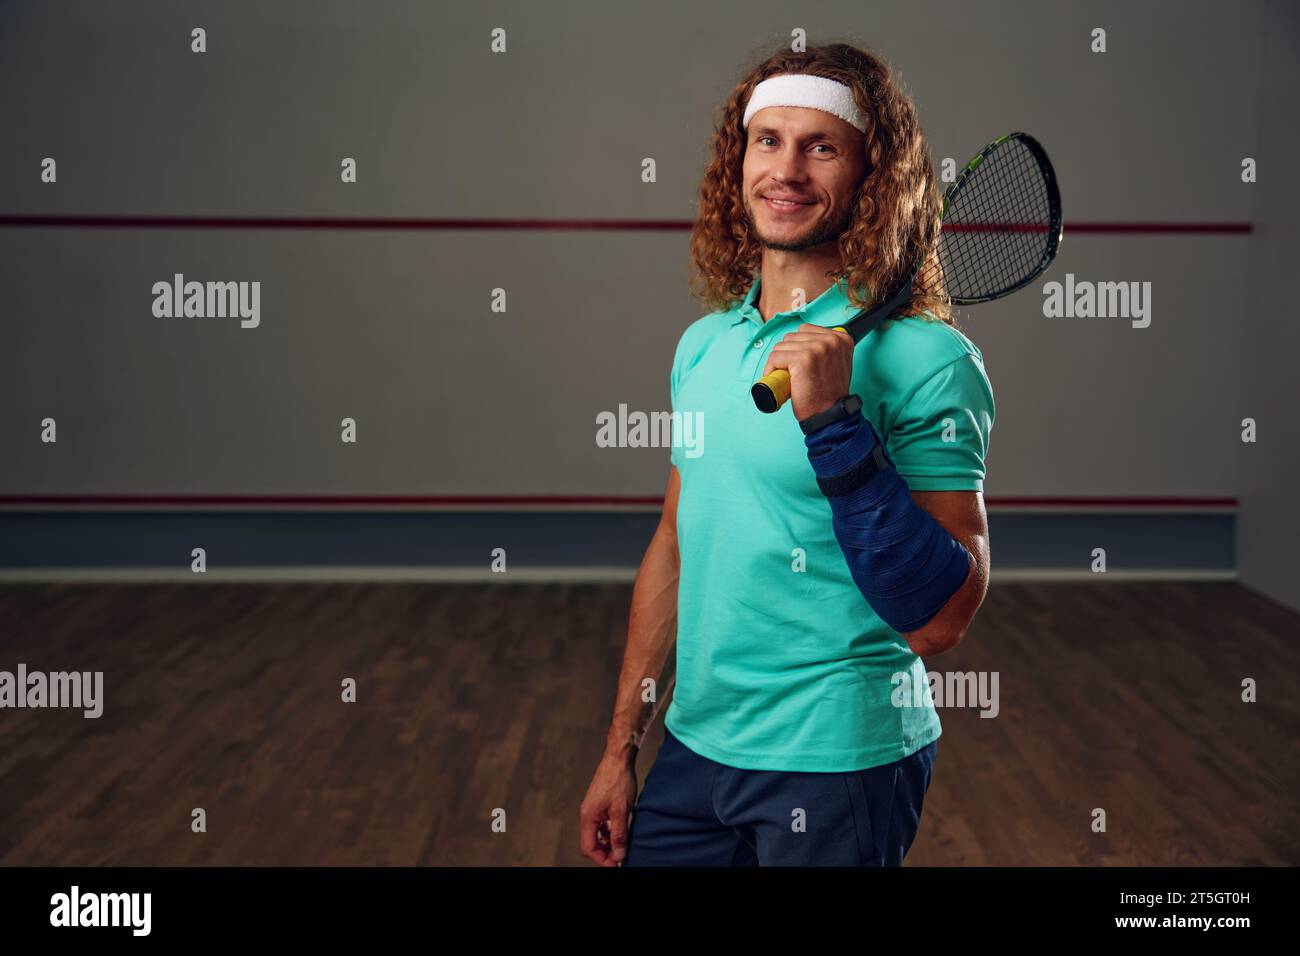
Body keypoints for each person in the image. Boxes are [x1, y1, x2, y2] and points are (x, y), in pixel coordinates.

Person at [580, 42, 994, 867]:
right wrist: (621, 747)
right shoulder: (704, 346)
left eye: (822, 145)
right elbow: (675, 544)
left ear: (870, 176)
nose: (788, 170)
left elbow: (943, 620)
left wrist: (837, 424)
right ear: (739, 163)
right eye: (767, 140)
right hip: (696, 748)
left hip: (837, 760)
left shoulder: (927, 359)